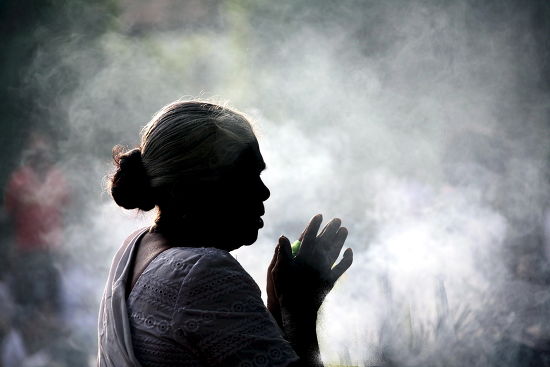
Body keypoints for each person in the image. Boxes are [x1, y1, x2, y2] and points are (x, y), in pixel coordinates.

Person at [97, 100, 353, 367]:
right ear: (193, 187)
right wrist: (302, 310)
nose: (263, 192)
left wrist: (279, 308)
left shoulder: (136, 247)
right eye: (245, 176)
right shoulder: (201, 271)